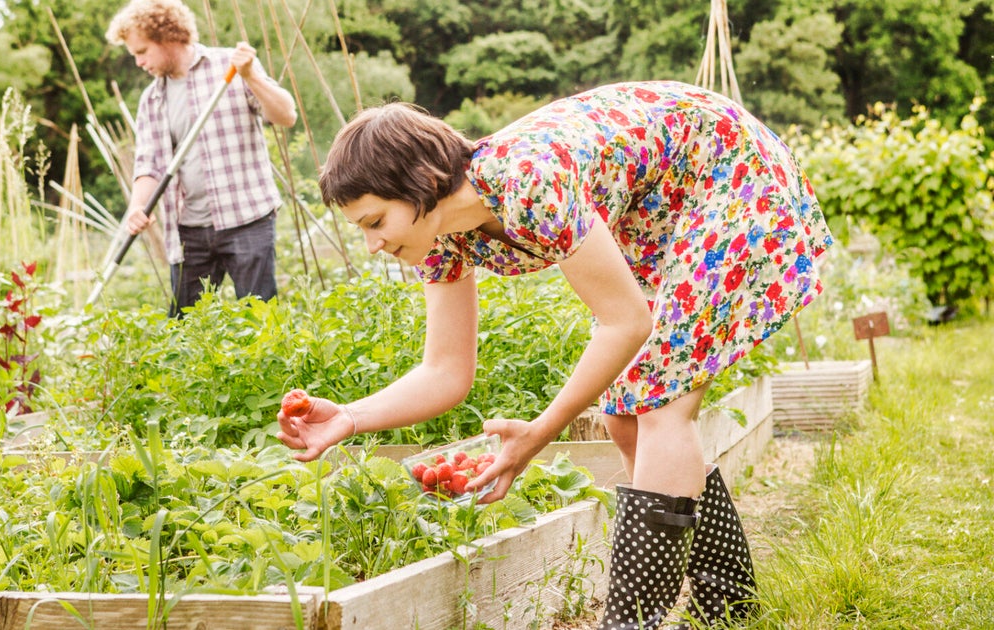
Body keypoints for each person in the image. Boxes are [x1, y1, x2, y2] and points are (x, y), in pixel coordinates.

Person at [277, 81, 833, 628]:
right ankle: (731, 613)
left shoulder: (526, 182)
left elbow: (627, 320)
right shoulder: (439, 239)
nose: (373, 245)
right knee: (625, 422)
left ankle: (631, 624)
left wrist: (540, 431)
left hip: (728, 173)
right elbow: (445, 371)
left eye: (376, 222)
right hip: (663, 204)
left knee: (660, 405)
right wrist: (350, 418)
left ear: (424, 182)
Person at [106, 0, 296, 316]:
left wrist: (251, 76)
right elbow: (149, 165)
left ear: (167, 37)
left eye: (142, 51)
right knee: (184, 328)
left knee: (261, 321)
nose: (139, 62)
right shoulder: (151, 99)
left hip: (246, 220)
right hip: (189, 231)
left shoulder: (232, 68)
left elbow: (285, 115)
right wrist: (139, 206)